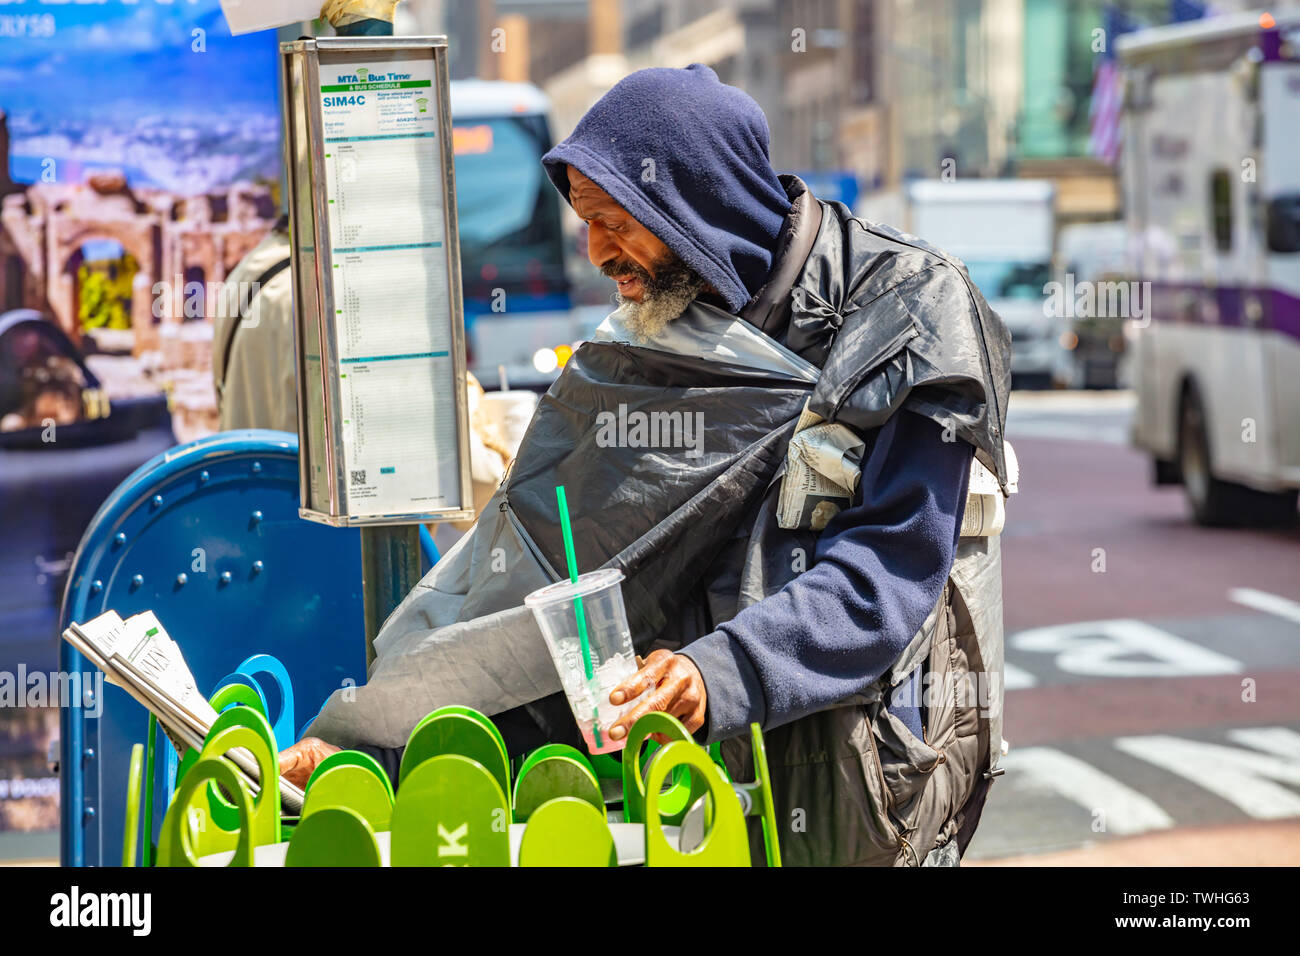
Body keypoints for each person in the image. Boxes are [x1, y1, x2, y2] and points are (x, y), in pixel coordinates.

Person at [281, 64, 1013, 866]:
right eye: (584, 223)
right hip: (681, 801)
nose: (596, 252)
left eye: (615, 221)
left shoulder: (909, 309)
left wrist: (718, 672)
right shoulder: (659, 328)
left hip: (853, 786)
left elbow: (889, 570)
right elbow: (541, 594)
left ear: (694, 202)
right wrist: (390, 747)